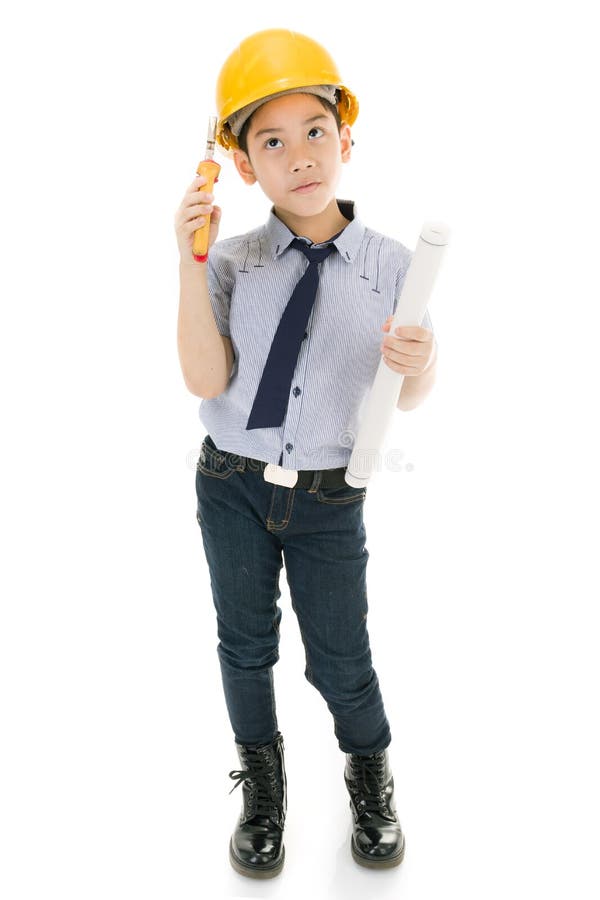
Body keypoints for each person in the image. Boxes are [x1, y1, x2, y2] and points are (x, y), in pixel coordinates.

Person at [174, 28, 438, 879]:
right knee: (243, 645)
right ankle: (264, 787)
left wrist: (420, 363)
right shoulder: (237, 262)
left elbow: (413, 385)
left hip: (329, 497)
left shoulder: (391, 266)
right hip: (233, 486)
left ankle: (370, 773)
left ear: (346, 138)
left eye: (314, 131)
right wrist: (188, 264)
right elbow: (203, 376)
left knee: (340, 656)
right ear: (245, 165)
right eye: (272, 142)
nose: (300, 156)